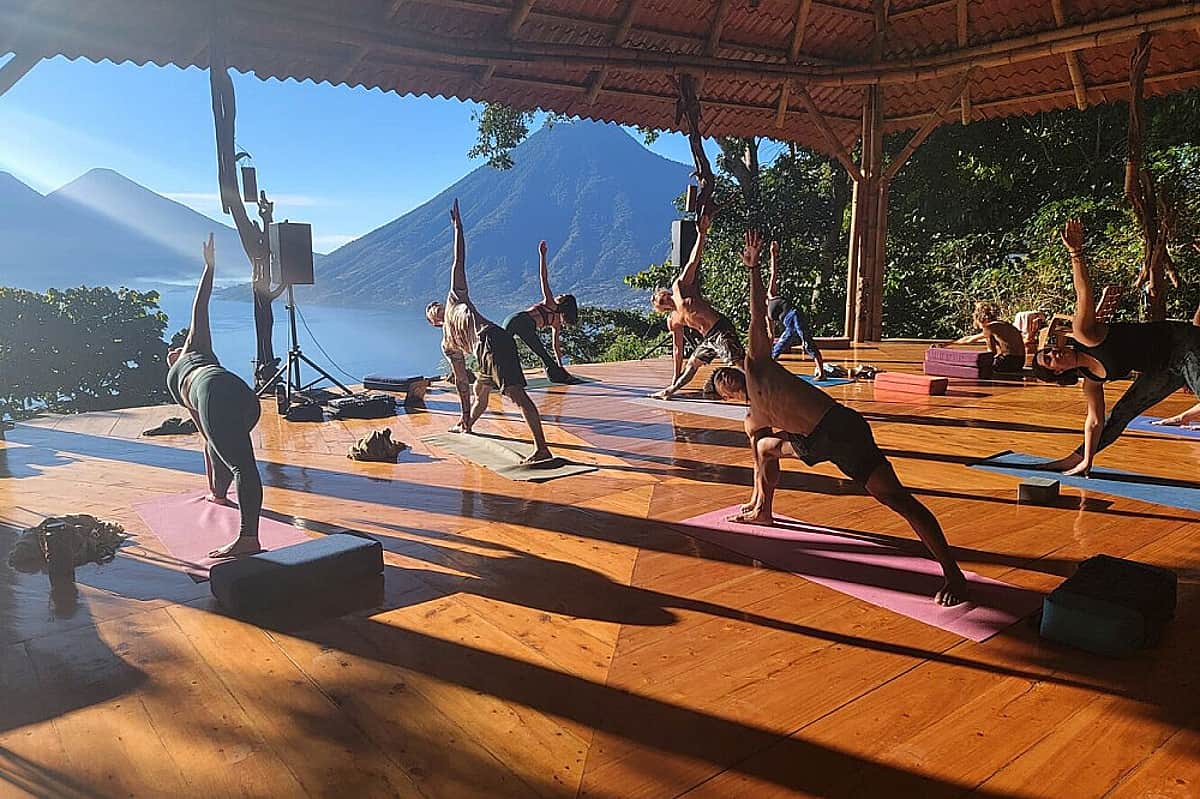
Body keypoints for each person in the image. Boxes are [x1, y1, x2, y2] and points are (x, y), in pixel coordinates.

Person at [711, 229, 968, 606]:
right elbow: (757, 455)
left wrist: (753, 268)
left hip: (839, 429)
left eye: (725, 376)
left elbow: (755, 315)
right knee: (765, 448)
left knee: (897, 500)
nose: (726, 380)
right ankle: (763, 512)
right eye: (721, 384)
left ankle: (954, 575)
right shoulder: (754, 414)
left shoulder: (758, 363)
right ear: (727, 396)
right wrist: (753, 499)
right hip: (811, 440)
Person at [1033, 219, 1200, 475]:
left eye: (1049, 350)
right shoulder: (1091, 381)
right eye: (1049, 359)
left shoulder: (1085, 334)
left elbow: (1084, 293)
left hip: (1184, 345)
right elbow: (1095, 422)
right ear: (1056, 372)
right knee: (1120, 414)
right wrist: (1086, 460)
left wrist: (1076, 253)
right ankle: (1073, 459)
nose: (1054, 352)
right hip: (1164, 368)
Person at [425, 199, 553, 463]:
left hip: (491, 339)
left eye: (433, 304)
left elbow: (458, 261)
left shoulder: (455, 298)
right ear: (433, 322)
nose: (433, 306)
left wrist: (458, 229)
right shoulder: (448, 343)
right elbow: (462, 382)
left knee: (516, 394)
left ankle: (542, 448)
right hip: (483, 351)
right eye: (430, 309)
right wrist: (463, 417)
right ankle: (468, 424)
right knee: (479, 392)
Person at [166, 234, 264, 558]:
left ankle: (248, 538)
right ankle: (221, 496)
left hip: (214, 391)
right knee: (227, 450)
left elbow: (200, 306)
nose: (171, 351)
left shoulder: (193, 349)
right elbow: (209, 439)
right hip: (241, 396)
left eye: (174, 349)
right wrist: (214, 493)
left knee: (241, 466)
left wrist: (209, 267)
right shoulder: (199, 356)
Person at [649, 211, 746, 399]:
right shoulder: (674, 320)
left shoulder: (680, 287)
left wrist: (702, 234)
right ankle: (670, 390)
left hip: (720, 329)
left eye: (664, 297)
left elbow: (693, 261)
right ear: (662, 309)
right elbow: (678, 350)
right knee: (692, 363)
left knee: (738, 363)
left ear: (667, 293)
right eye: (662, 303)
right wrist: (674, 376)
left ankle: (765, 389)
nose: (666, 301)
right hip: (708, 338)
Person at [503, 239, 580, 384]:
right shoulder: (555, 317)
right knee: (541, 353)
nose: (560, 295)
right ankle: (559, 374)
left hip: (514, 319)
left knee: (503, 348)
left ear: (564, 303)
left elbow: (543, 278)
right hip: (523, 323)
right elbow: (555, 345)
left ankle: (494, 376)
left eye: (562, 296)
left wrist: (543, 256)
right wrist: (542, 255)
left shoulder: (550, 303)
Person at [766, 240, 826, 380]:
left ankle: (821, 372)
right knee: (776, 350)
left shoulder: (771, 295)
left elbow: (773, 273)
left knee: (806, 343)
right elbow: (771, 335)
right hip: (789, 326)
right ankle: (768, 371)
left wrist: (773, 253)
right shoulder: (767, 316)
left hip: (794, 315)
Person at [939, 301, 1026, 373]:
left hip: (1008, 363)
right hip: (1020, 362)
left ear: (980, 318)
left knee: (979, 364)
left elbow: (991, 353)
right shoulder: (1003, 324)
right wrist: (947, 344)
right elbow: (970, 339)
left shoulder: (988, 328)